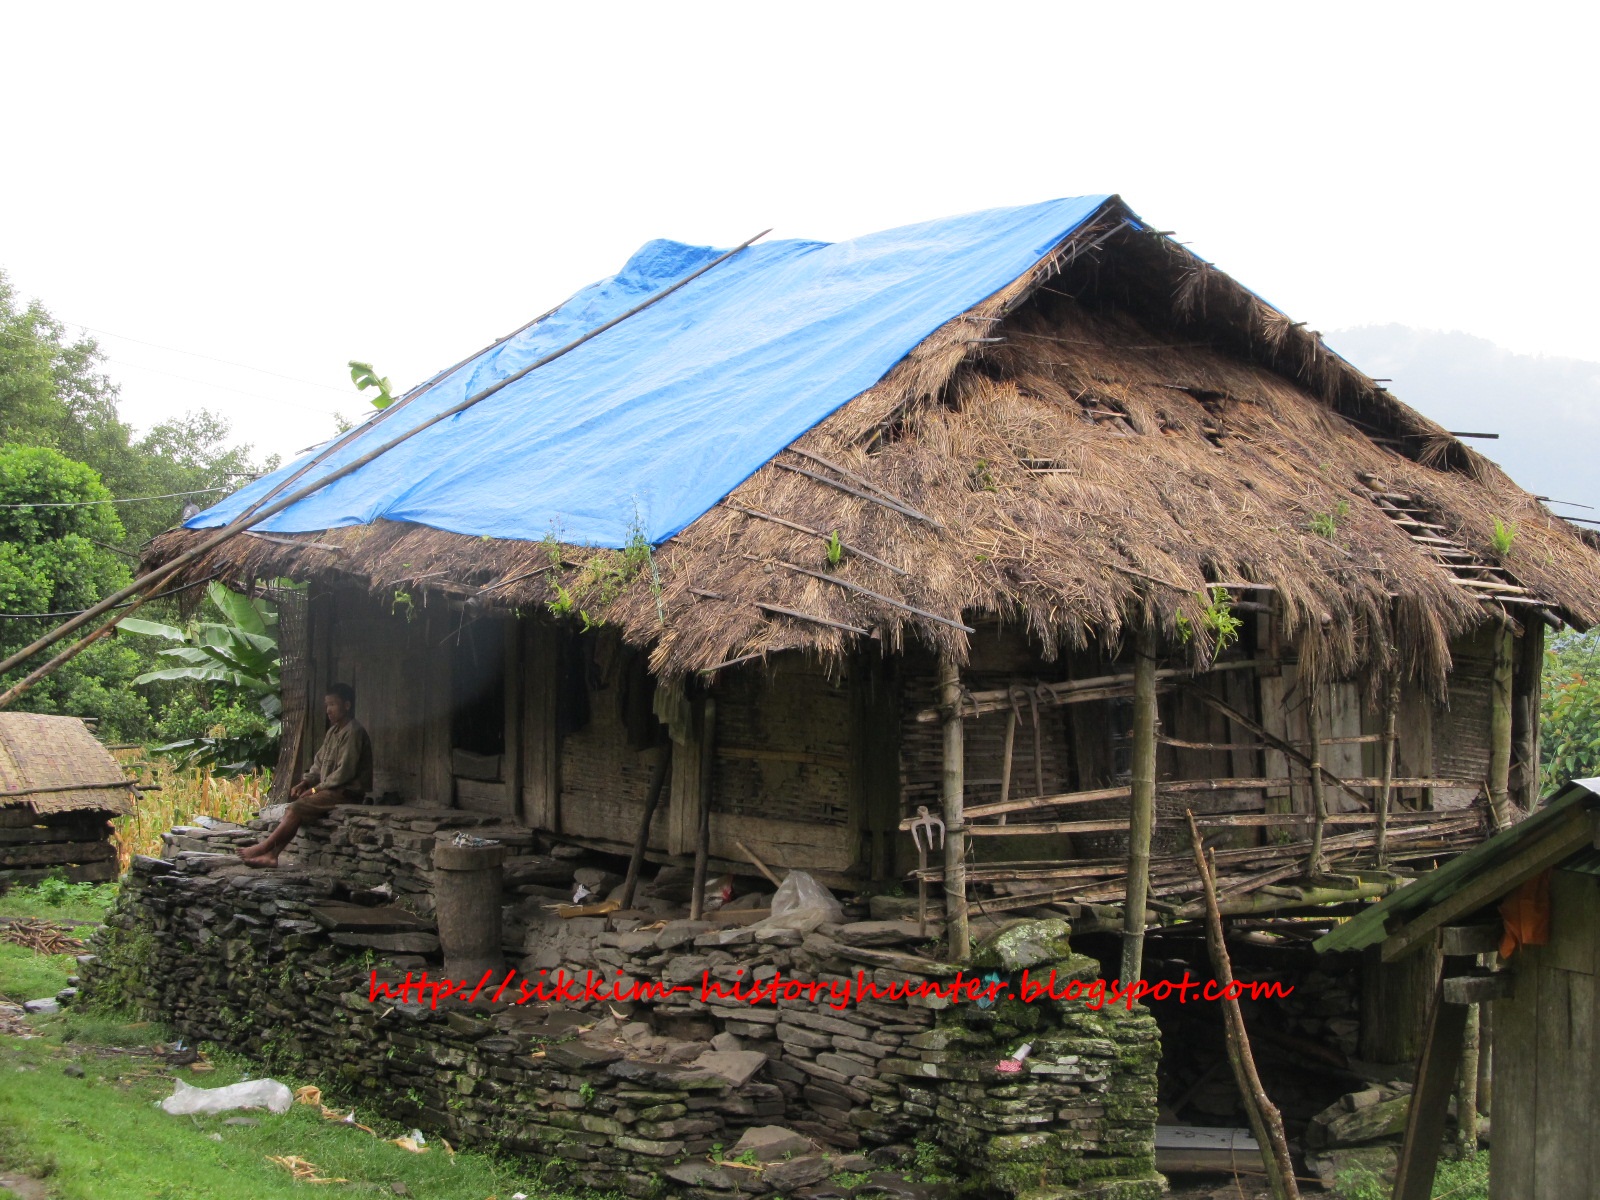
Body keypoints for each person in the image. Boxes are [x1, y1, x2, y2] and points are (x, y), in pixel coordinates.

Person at [239, 682, 372, 867]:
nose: (328, 710)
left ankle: (263, 848)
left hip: (347, 792)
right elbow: (319, 763)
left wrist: (315, 790)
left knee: (297, 807)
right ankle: (272, 856)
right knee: (294, 809)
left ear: (347, 705)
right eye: (327, 705)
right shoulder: (333, 732)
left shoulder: (353, 732)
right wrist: (306, 782)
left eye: (332, 704)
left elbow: (344, 773)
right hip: (331, 791)